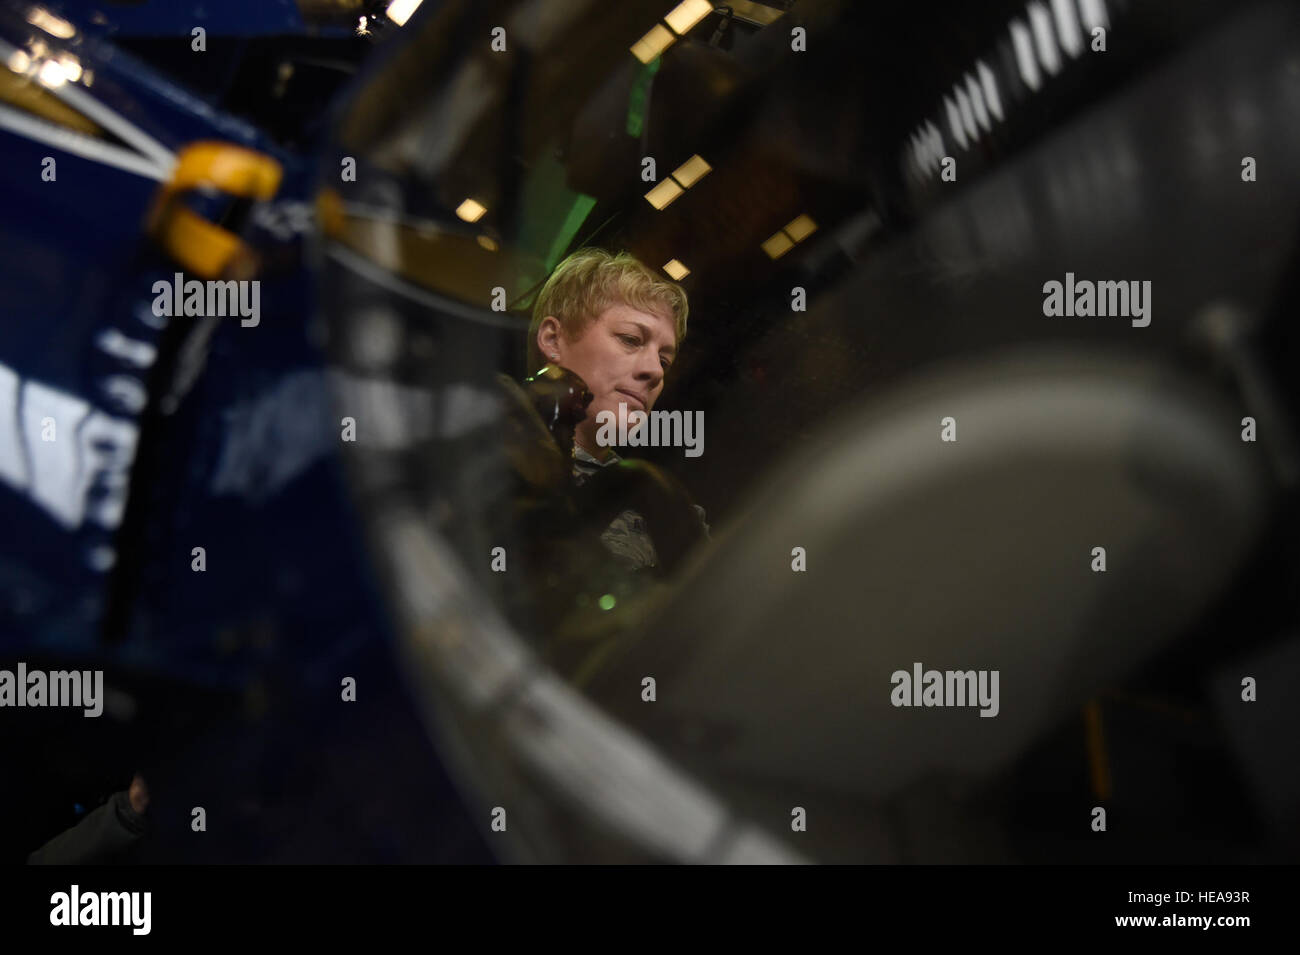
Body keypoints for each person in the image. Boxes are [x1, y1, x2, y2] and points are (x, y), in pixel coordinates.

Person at [493, 249, 708, 663]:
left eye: (665, 358)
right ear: (553, 340)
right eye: (631, 339)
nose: (655, 371)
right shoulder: (475, 442)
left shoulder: (665, 506)